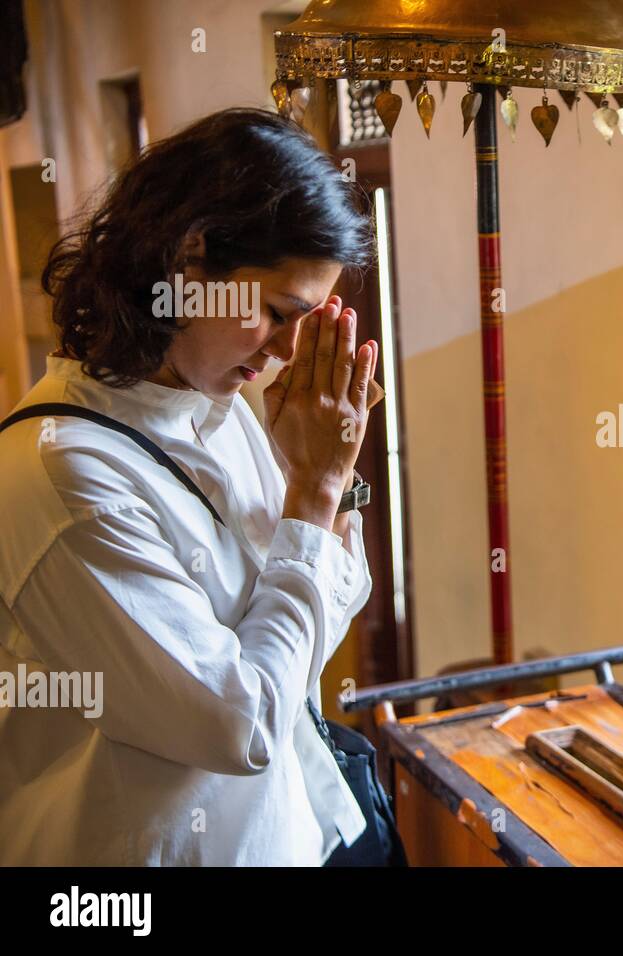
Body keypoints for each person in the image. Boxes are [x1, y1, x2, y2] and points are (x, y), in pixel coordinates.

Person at [0, 107, 382, 865]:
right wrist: (312, 493)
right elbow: (237, 727)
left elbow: (315, 628)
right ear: (191, 259)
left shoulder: (221, 411)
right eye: (276, 313)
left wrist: (326, 495)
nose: (286, 352)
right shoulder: (66, 476)